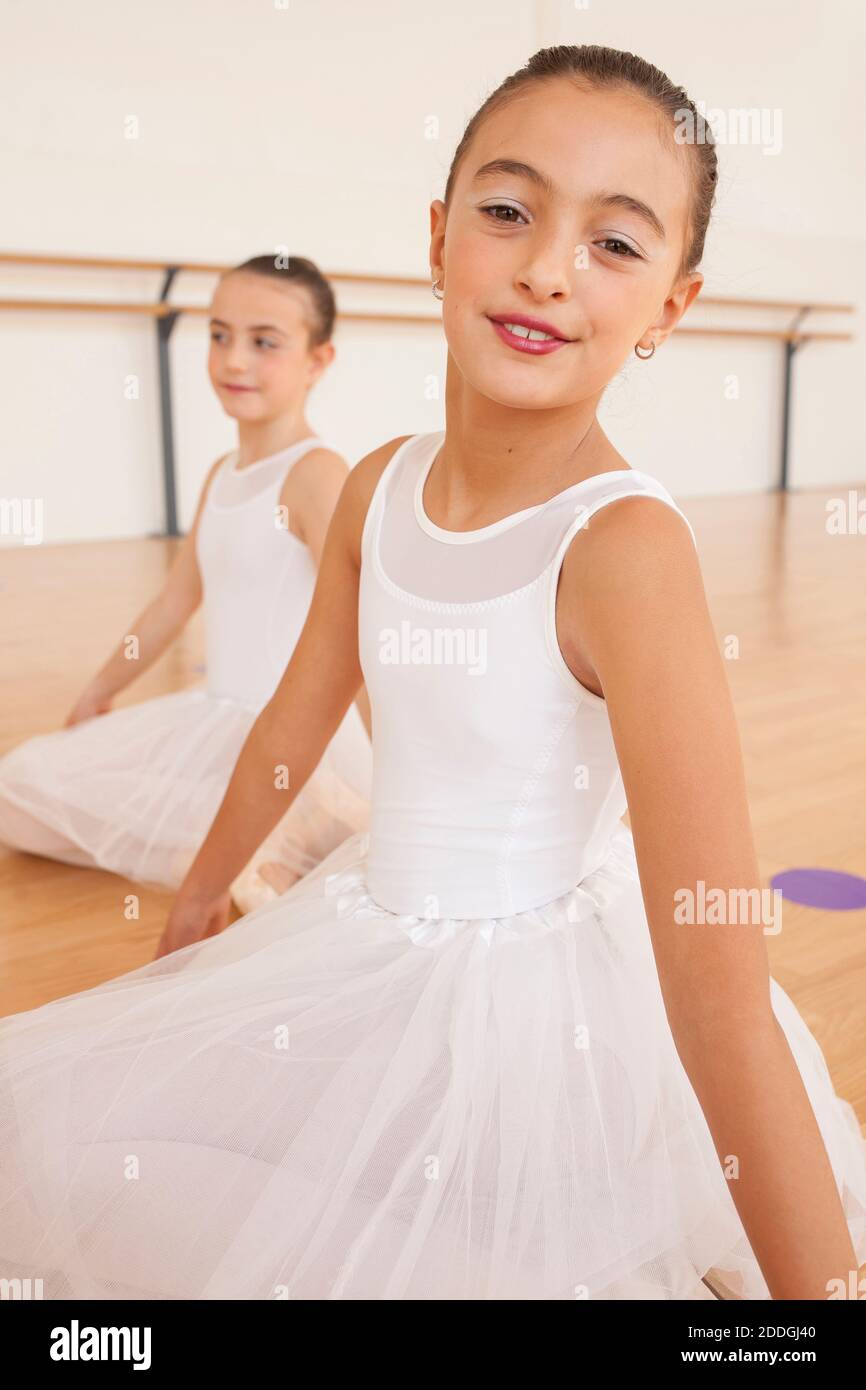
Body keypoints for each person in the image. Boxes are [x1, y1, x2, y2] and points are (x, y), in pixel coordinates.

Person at [1, 45, 864, 1300]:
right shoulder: (377, 486)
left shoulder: (622, 550)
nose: (543, 268)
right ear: (436, 235)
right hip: (364, 936)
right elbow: (289, 732)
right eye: (506, 211)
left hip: (537, 1002)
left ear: (670, 308)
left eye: (612, 245)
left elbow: (718, 992)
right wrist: (191, 912)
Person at [0, 255, 372, 915]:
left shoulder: (318, 475)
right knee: (17, 793)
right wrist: (98, 692)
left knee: (290, 835)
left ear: (318, 361)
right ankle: (214, 855)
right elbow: (175, 600)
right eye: (220, 334)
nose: (233, 361)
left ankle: (267, 845)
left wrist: (394, 765)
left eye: (264, 342)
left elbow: (363, 626)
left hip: (286, 737)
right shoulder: (221, 474)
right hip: (211, 721)